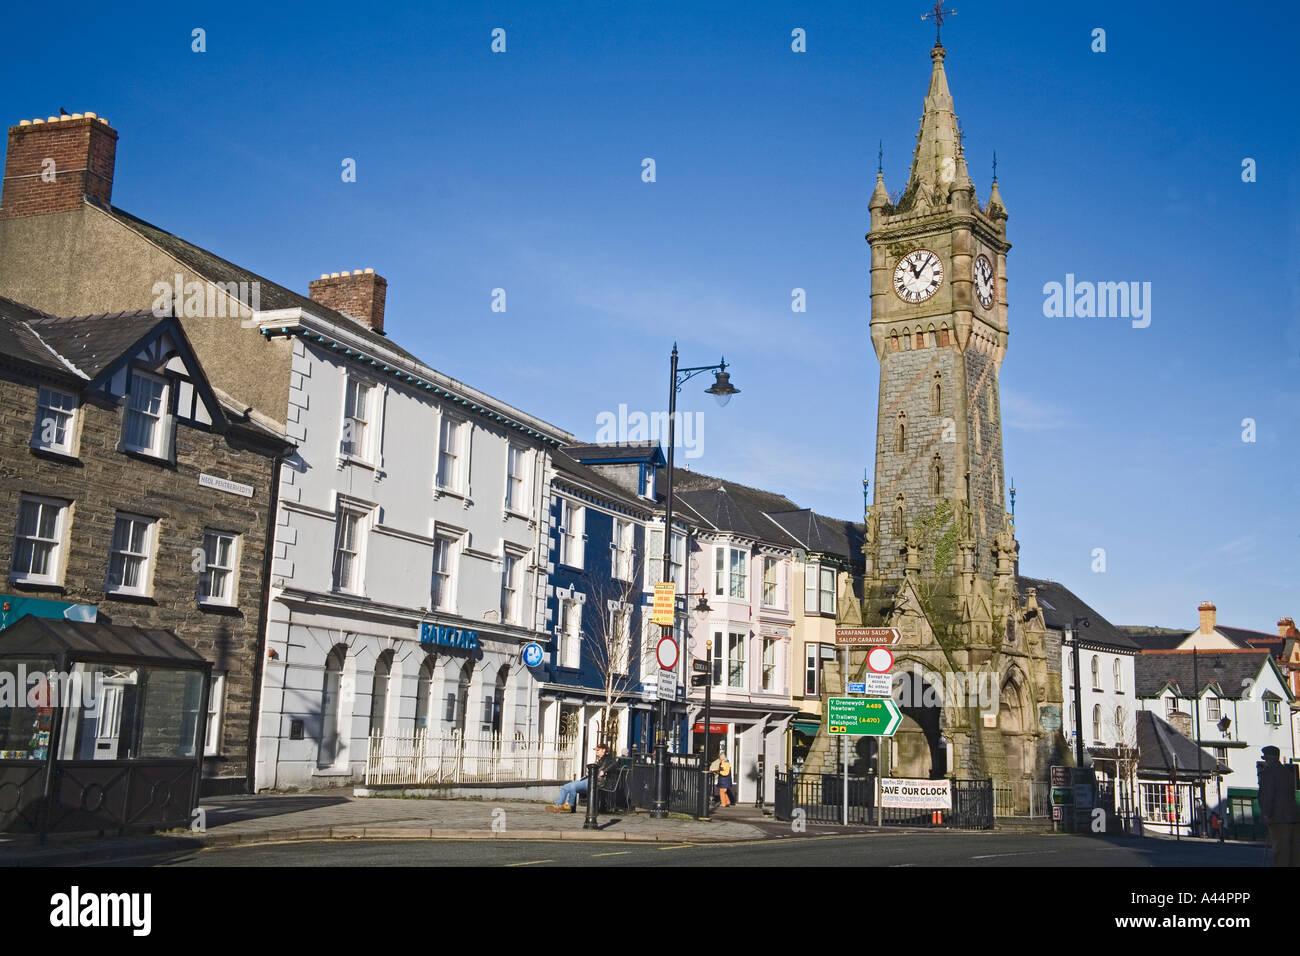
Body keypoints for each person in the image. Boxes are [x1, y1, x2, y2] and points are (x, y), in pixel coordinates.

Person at [1257, 745, 1300, 866]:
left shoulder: (1268, 772)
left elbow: (1267, 794)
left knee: (1281, 850)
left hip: (1278, 817)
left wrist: (1266, 814)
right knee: (1294, 850)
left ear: (1268, 758)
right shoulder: (1287, 772)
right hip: (1294, 816)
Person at [548, 743, 617, 813]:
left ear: (603, 750)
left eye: (598, 750)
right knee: (565, 787)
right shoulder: (600, 759)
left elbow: (614, 764)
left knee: (573, 786)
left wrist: (604, 771)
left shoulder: (608, 758)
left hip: (596, 781)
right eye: (595, 750)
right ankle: (557, 806)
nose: (596, 752)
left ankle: (569, 805)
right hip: (589, 779)